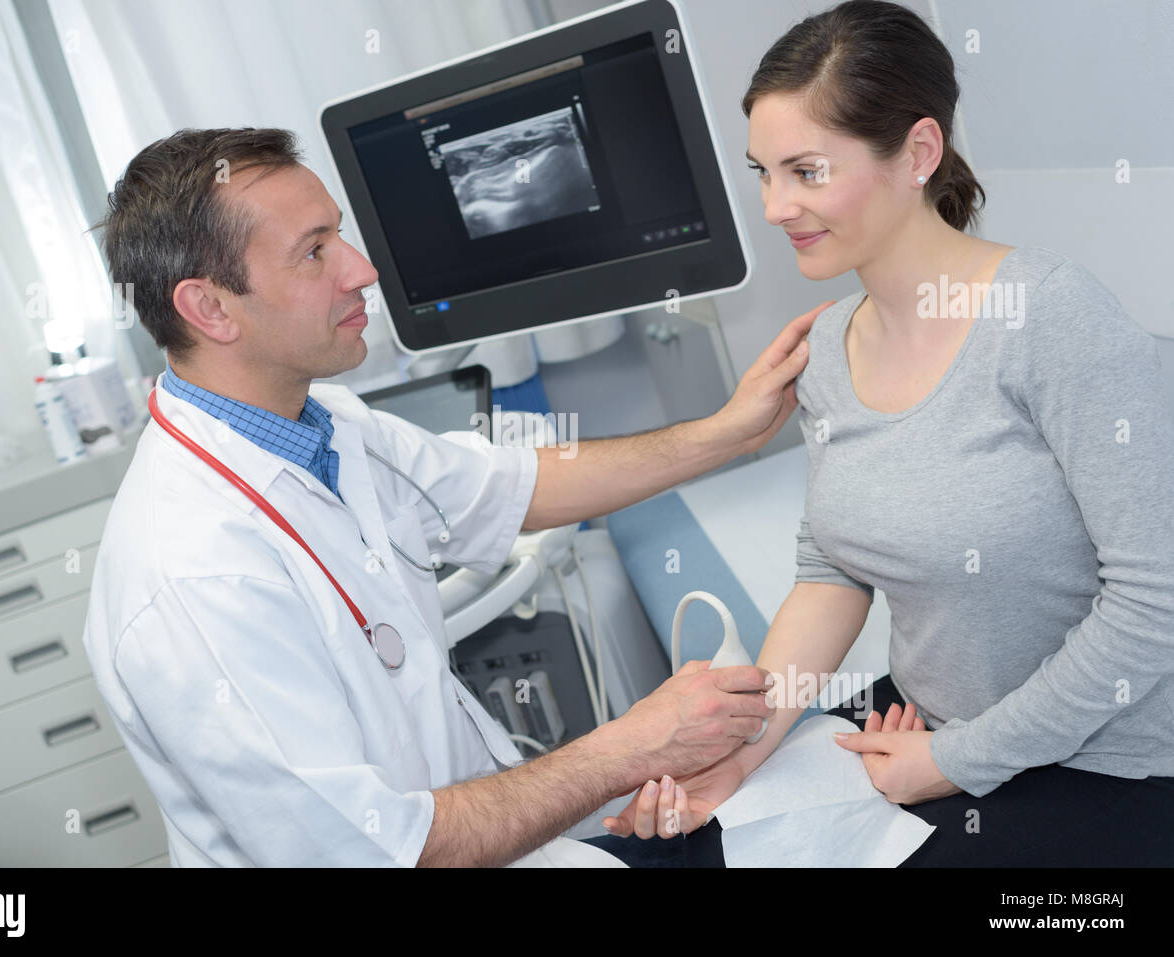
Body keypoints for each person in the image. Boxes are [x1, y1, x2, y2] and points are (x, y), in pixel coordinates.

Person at [81, 126, 821, 867]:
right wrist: (633, 745)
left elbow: (514, 487)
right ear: (210, 309)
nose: (362, 269)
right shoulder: (190, 574)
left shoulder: (325, 422)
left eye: (339, 235)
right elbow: (375, 849)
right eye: (315, 251)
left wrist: (729, 432)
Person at [597, 0, 1174, 866]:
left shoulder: (1050, 318)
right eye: (764, 171)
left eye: (807, 171)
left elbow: (1154, 604)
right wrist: (746, 755)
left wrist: (951, 761)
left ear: (919, 153)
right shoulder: (829, 346)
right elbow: (833, 570)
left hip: (1103, 763)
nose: (775, 204)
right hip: (918, 727)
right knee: (683, 849)